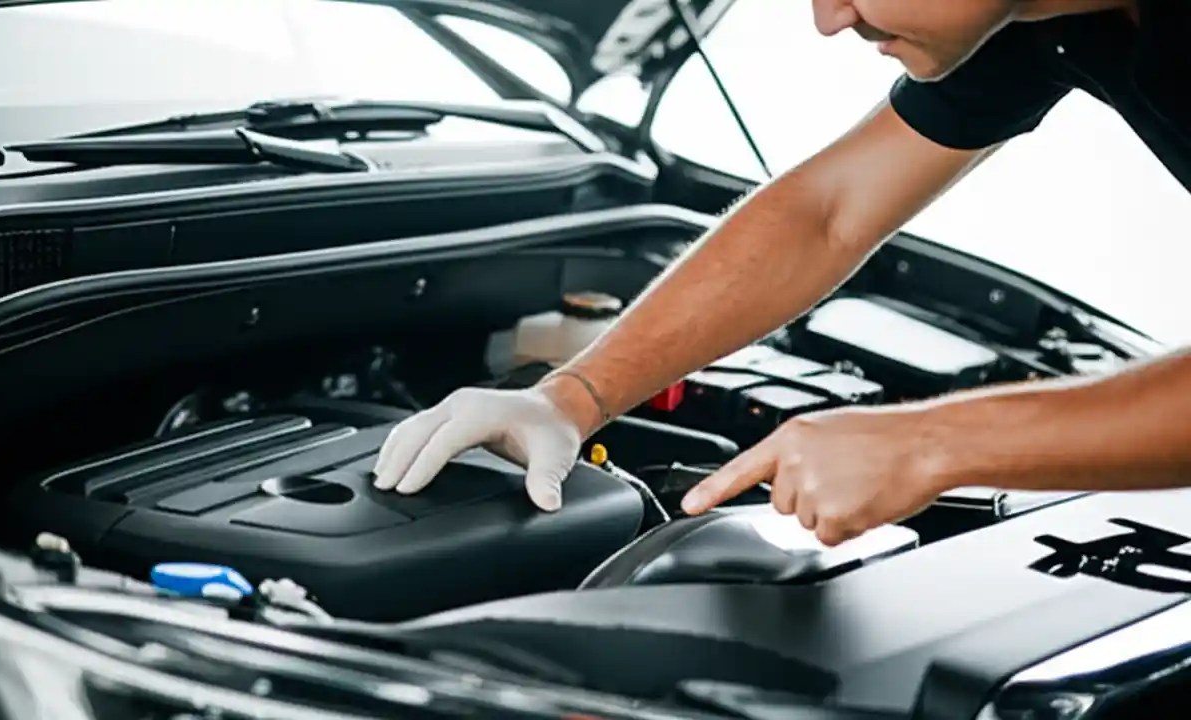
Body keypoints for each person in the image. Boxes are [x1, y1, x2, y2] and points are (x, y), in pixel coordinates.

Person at [373, 0, 1191, 547]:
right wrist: (568, 397)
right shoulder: (1043, 19)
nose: (829, 17)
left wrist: (933, 444)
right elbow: (826, 210)